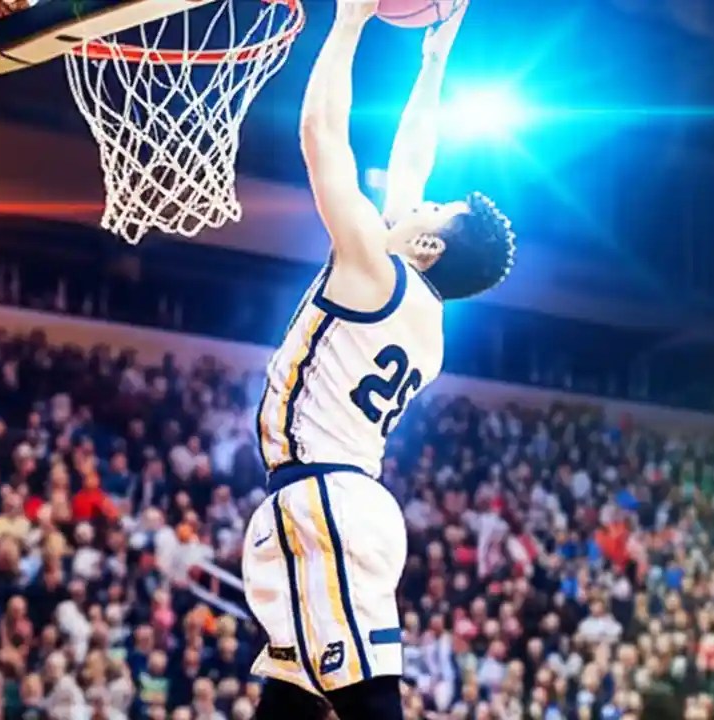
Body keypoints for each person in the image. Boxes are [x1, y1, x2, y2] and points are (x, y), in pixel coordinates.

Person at [242, 1, 515, 718]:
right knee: (291, 700)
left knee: (368, 704)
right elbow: (411, 158)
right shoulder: (421, 314)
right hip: (341, 501)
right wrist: (432, 61)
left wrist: (351, 21)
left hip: (325, 501)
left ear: (427, 247)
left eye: (432, 209)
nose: (417, 201)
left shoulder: (375, 269)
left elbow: (319, 134)